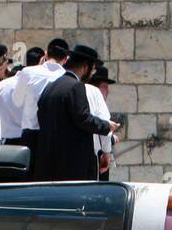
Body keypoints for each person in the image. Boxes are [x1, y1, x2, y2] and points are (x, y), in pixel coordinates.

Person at [32, 44, 118, 182]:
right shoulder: (75, 86)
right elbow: (83, 117)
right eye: (92, 70)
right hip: (71, 165)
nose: (92, 74)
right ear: (85, 67)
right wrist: (107, 126)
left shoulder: (51, 86)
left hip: (49, 162)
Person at [11, 39, 72, 161]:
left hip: (30, 135)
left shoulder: (28, 72)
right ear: (66, 59)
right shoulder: (68, 78)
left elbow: (16, 102)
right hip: (56, 137)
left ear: (46, 54)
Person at [0, 48, 41, 146]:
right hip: (29, 140)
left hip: (5, 140)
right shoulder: (37, 86)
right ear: (42, 62)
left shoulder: (2, 85)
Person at [87, 65, 117, 181]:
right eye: (104, 87)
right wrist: (106, 153)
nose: (107, 91)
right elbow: (104, 127)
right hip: (97, 153)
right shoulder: (96, 96)